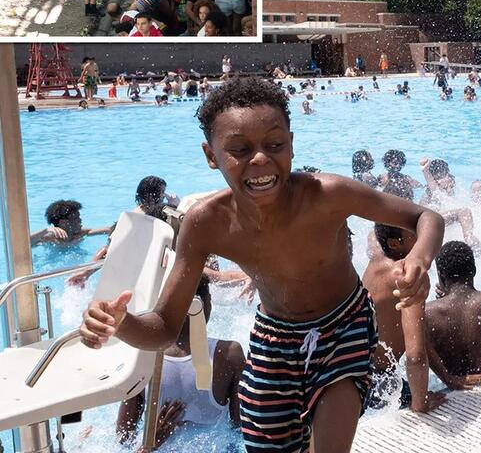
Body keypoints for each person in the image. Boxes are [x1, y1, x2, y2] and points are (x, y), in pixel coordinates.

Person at [80, 77, 445, 453]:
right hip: (274, 341)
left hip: (344, 328)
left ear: (291, 143)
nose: (260, 159)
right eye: (239, 149)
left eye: (275, 144)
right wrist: (121, 323)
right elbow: (164, 327)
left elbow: (426, 217)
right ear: (211, 156)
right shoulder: (207, 223)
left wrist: (419, 258)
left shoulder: (328, 195)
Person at [116, 275, 245, 448]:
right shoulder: (230, 355)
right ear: (203, 305)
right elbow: (241, 433)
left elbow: (122, 440)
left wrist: (150, 444)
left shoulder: (141, 355)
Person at [363, 223, 447, 412]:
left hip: (353, 373)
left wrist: (448, 378)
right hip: (378, 385)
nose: (423, 238)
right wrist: (420, 404)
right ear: (394, 243)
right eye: (414, 233)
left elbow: (419, 335)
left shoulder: (376, 258)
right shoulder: (406, 277)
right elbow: (415, 355)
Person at [426, 241, 481, 378]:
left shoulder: (429, 313)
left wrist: (444, 299)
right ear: (474, 270)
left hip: (450, 386)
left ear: (441, 275)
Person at [30, 200, 111, 245]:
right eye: (76, 218)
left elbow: (108, 229)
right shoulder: (50, 238)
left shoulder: (81, 233)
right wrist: (45, 230)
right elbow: (23, 245)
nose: (80, 220)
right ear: (63, 223)